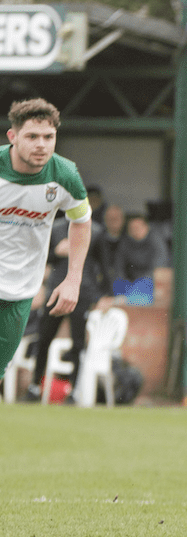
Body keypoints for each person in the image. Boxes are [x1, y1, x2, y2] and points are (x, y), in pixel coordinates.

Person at [0, 99, 92, 382]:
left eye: (48, 137)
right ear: (13, 136)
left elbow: (82, 221)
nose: (41, 145)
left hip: (20, 288)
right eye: (32, 137)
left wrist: (73, 279)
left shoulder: (65, 175)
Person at [24, 212, 112, 403]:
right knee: (44, 338)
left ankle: (73, 391)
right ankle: (35, 387)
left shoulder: (96, 231)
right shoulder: (55, 228)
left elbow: (104, 266)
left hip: (82, 292)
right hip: (55, 291)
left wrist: (105, 295)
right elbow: (40, 258)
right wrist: (57, 252)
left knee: (78, 343)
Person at [113, 212, 169, 284]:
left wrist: (139, 284)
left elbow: (158, 267)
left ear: (147, 227)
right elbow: (119, 267)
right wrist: (121, 282)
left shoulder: (156, 240)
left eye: (139, 227)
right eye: (132, 228)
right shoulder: (125, 243)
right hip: (131, 282)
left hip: (154, 282)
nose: (136, 230)